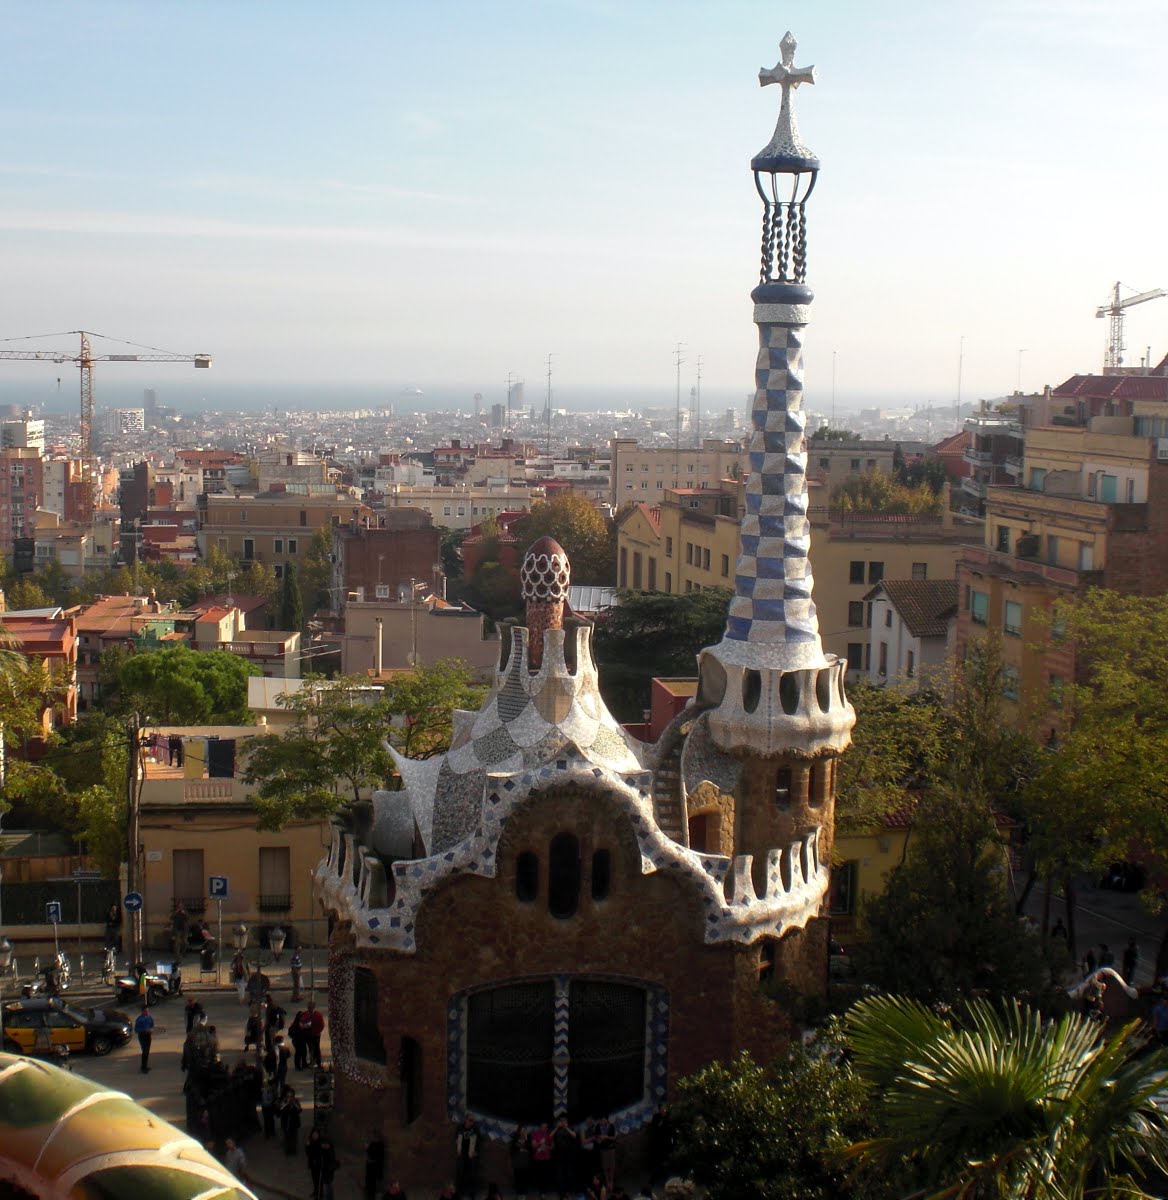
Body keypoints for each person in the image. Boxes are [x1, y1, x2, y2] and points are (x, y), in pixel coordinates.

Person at [551, 1115, 577, 1199]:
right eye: (561, 1121)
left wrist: (566, 1128)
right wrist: (556, 1128)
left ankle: (567, 1192)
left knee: (568, 1174)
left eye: (564, 1121)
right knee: (560, 1174)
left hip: (568, 1154)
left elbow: (574, 1136)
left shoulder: (570, 1128)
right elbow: (549, 1136)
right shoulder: (556, 1129)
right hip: (559, 1154)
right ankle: (561, 1193)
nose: (562, 1122)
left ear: (567, 1122)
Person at [455, 1113, 481, 1200]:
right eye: (470, 1120)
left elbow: (480, 1141)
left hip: (471, 1155)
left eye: (473, 1121)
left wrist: (476, 1151)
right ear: (465, 1119)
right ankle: (461, 1192)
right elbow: (456, 1138)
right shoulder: (460, 1128)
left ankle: (472, 1193)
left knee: (472, 1175)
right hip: (462, 1155)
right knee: (461, 1174)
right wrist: (457, 1148)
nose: (472, 1122)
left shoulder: (475, 1129)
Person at [593, 1116, 617, 1194]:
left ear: (607, 1120)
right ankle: (607, 1182)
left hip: (611, 1148)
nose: (602, 1121)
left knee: (612, 1166)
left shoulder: (611, 1126)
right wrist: (600, 1138)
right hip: (603, 1149)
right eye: (601, 1120)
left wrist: (607, 1137)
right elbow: (596, 1137)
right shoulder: (597, 1126)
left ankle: (611, 1182)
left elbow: (614, 1138)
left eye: (604, 1120)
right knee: (605, 1167)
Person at [509, 1125, 532, 1199]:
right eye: (522, 1130)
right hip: (517, 1162)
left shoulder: (528, 1140)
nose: (523, 1132)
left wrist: (526, 1140)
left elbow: (530, 1150)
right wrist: (519, 1150)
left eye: (525, 1130)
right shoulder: (515, 1140)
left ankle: (524, 1193)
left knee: (525, 1178)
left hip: (525, 1161)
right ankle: (518, 1193)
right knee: (517, 1178)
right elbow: (512, 1150)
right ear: (519, 1131)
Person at [279, 1086, 302, 1157]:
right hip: (286, 1123)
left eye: (291, 1095)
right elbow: (280, 1110)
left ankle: (294, 1151)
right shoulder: (283, 1101)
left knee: (294, 1137)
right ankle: (288, 1151)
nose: (290, 1097)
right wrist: (286, 1104)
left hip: (294, 1123)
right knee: (287, 1137)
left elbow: (300, 1110)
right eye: (288, 1095)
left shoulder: (296, 1101)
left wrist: (294, 1104)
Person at [365, 1133, 386, 1200]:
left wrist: (367, 1148)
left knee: (373, 1184)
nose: (372, 1138)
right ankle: (370, 1195)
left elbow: (375, 1156)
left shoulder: (379, 1145)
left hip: (375, 1168)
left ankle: (372, 1196)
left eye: (373, 1137)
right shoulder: (373, 1144)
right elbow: (370, 1154)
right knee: (370, 1183)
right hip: (371, 1167)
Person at [319, 1133, 339, 1200]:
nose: (322, 1145)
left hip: (328, 1173)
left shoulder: (329, 1152)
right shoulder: (326, 1150)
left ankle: (329, 1198)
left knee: (328, 1187)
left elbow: (330, 1163)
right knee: (328, 1187)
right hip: (327, 1172)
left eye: (324, 1144)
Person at [306, 1127, 325, 1199]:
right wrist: (307, 1146)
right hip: (312, 1165)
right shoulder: (310, 1142)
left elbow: (322, 1154)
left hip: (319, 1165)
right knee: (314, 1180)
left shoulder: (321, 1143)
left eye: (316, 1134)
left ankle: (320, 1195)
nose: (315, 1136)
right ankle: (315, 1192)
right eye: (313, 1134)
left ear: (318, 1135)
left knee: (319, 1181)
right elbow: (308, 1154)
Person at [135, 1006, 155, 1073]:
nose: (147, 1012)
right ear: (142, 1011)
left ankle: (145, 1066)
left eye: (147, 1011)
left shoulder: (149, 1017)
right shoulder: (139, 1019)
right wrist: (144, 1030)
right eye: (145, 1011)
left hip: (148, 1036)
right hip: (142, 1036)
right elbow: (136, 1029)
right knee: (145, 1051)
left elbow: (152, 1025)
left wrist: (151, 1030)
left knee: (147, 1051)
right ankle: (143, 1067)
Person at [304, 1003, 325, 1067]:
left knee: (316, 1048)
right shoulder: (307, 1014)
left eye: (310, 1007)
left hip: (315, 1034)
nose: (309, 1009)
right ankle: (313, 1061)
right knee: (312, 1048)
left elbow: (321, 1025)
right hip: (311, 1034)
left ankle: (317, 1062)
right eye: (308, 1007)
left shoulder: (317, 1015)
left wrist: (317, 1031)